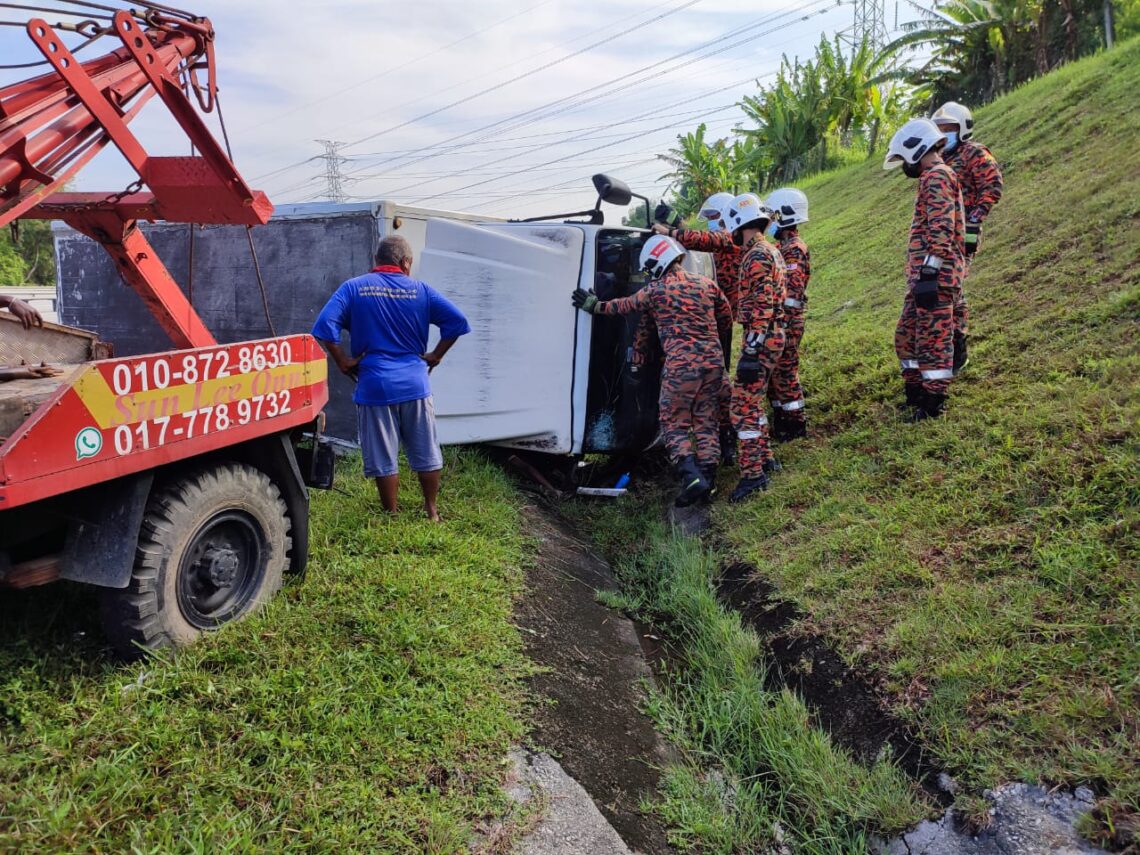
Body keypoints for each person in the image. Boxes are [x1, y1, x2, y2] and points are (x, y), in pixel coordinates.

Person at [312, 235, 470, 521]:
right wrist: (436, 355)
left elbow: (324, 327)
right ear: (405, 262)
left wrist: (342, 361)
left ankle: (392, 513)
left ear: (377, 261)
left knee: (384, 454)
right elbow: (457, 322)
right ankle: (432, 511)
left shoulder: (354, 288)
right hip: (415, 384)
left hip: (375, 386)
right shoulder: (421, 290)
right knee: (426, 449)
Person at [571, 234, 731, 507]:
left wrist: (593, 306)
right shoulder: (707, 284)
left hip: (682, 368)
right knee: (706, 421)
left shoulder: (656, 290)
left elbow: (623, 306)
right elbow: (726, 317)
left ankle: (690, 476)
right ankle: (707, 480)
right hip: (714, 365)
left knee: (673, 423)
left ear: (657, 262)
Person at [883, 117, 967, 421]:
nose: (903, 165)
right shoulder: (935, 176)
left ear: (916, 150)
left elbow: (942, 228)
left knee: (933, 342)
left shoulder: (936, 177)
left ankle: (932, 404)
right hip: (925, 278)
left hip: (936, 277)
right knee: (906, 336)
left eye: (903, 158)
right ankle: (916, 391)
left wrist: (931, 273)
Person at [652, 191, 741, 464]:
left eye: (714, 217)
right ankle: (721, 444)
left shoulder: (734, 239)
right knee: (717, 383)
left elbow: (706, 240)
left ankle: (726, 442)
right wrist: (679, 225)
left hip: (722, 321)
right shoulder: (725, 242)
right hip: (715, 321)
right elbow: (704, 242)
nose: (712, 222)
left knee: (718, 389)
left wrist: (672, 232)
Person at [723, 193, 786, 502]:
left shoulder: (756, 255)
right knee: (755, 402)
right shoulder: (770, 250)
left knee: (741, 407)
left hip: (761, 337)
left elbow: (762, 303)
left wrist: (751, 348)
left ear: (738, 223)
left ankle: (753, 474)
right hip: (771, 335)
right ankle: (766, 458)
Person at [931, 101, 1003, 375]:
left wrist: (975, 219)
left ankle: (957, 352)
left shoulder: (973, 152)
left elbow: (993, 184)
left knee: (954, 290)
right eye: (939, 128)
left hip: (963, 235)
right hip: (941, 235)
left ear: (962, 129)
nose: (943, 133)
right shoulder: (940, 159)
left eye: (949, 128)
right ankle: (948, 348)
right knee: (947, 290)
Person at [763, 187, 811, 441]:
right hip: (781, 320)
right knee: (777, 371)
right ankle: (781, 417)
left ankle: (795, 424)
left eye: (772, 216)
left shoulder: (793, 249)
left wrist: (781, 319)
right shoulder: (782, 247)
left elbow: (791, 291)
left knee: (786, 369)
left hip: (788, 320)